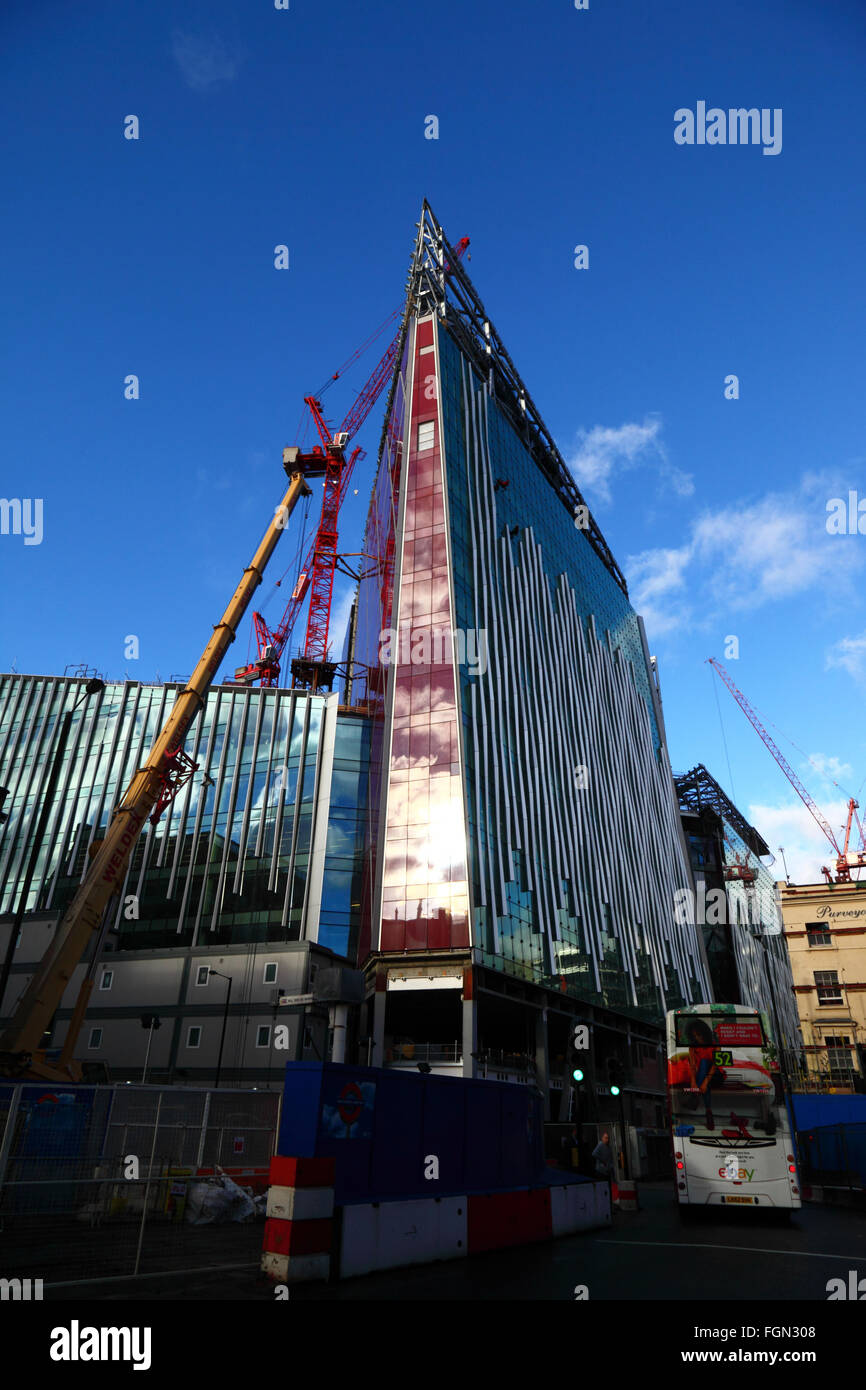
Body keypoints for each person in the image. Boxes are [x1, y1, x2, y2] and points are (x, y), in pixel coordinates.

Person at [592, 1130, 615, 1207]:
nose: (607, 1140)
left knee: (608, 1189)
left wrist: (611, 1168)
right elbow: (594, 1154)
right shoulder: (600, 1145)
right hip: (601, 1171)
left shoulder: (609, 1147)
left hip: (606, 1171)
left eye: (608, 1138)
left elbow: (610, 1159)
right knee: (603, 1189)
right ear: (602, 1138)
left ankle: (608, 1205)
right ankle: (604, 1205)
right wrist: (602, 1160)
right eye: (605, 1138)